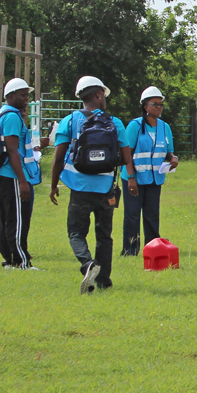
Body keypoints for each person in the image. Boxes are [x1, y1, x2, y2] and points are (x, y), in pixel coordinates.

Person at [50, 76, 134, 294]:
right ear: (97, 95)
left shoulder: (70, 121)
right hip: (106, 188)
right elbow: (126, 158)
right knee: (104, 235)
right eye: (103, 95)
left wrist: (53, 185)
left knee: (76, 233)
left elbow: (58, 157)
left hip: (79, 189)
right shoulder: (114, 123)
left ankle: (88, 264)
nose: (104, 99)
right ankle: (104, 281)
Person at [120, 86, 178, 256]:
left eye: (161, 104)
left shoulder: (164, 127)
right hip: (134, 178)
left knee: (152, 215)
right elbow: (127, 155)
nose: (159, 107)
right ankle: (130, 250)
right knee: (132, 215)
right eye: (155, 104)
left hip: (154, 178)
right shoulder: (135, 126)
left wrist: (172, 158)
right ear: (145, 106)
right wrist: (131, 178)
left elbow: (168, 151)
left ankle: (153, 248)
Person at [0, 77, 42, 270]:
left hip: (3, 174)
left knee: (6, 218)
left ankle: (10, 260)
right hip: (12, 174)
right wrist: (22, 180)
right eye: (22, 95)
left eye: (27, 95)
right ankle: (21, 261)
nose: (26, 99)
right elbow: (13, 151)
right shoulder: (12, 116)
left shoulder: (2, 114)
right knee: (17, 219)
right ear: (10, 96)